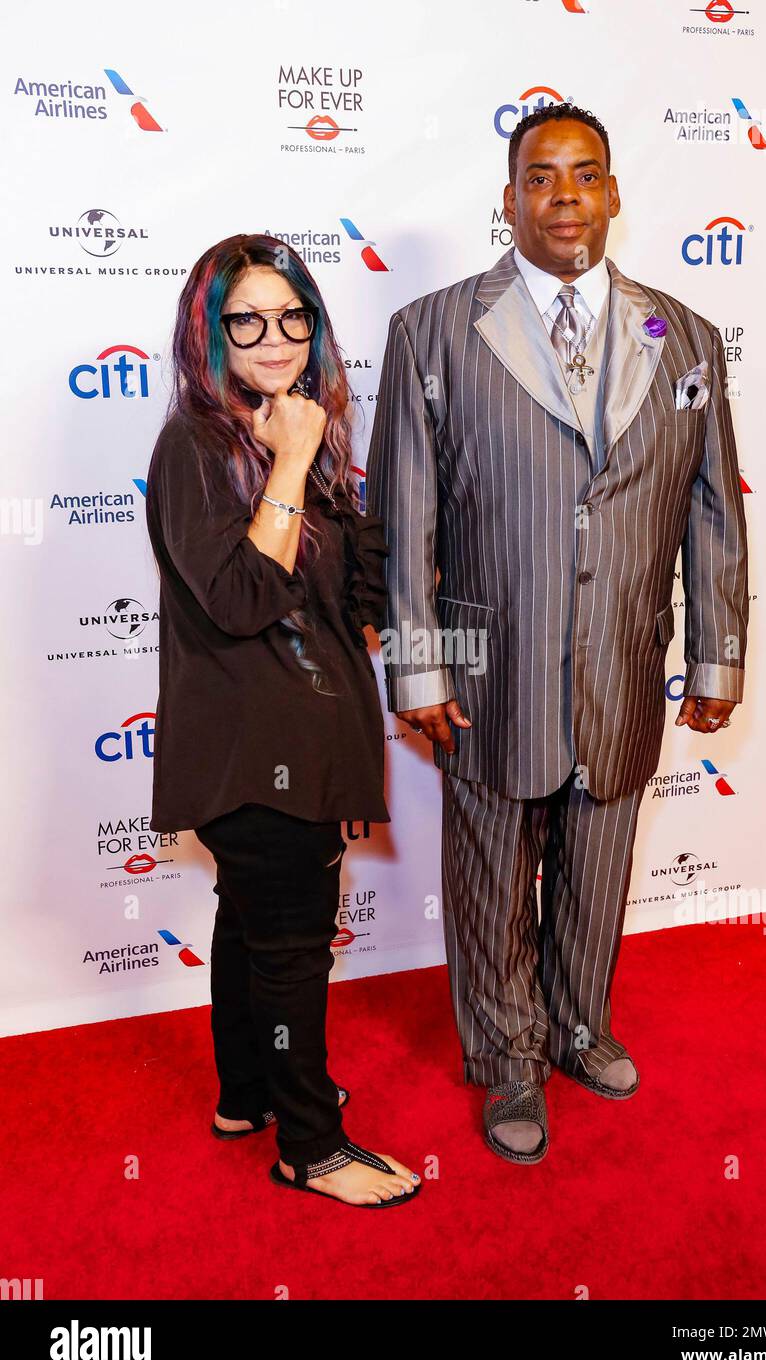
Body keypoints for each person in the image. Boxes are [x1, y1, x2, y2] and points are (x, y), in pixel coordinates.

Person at [366, 104, 748, 1163]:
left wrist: (714, 652)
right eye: (541, 177)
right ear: (509, 199)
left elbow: (711, 509)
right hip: (488, 667)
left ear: (614, 194)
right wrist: (418, 667)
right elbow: (402, 521)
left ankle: (580, 1027)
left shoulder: (683, 334)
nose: (565, 195)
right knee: (491, 877)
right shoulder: (432, 330)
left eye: (585, 175)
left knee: (597, 859)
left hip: (624, 663)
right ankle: (506, 1062)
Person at [145, 233, 421, 1207]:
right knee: (294, 949)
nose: (274, 338)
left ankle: (245, 1093)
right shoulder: (197, 443)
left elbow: (355, 598)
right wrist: (293, 463)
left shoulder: (306, 429)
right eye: (246, 320)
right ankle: (311, 1144)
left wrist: (383, 516)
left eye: (291, 315)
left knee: (251, 928)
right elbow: (238, 598)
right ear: (209, 333)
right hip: (249, 752)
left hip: (303, 739)